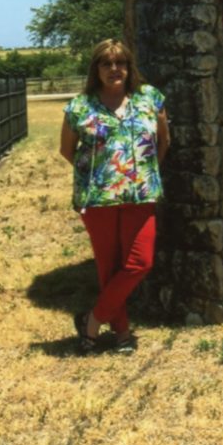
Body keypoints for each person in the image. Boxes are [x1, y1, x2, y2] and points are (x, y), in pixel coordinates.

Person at [60, 38, 170, 354]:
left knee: (139, 263)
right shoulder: (80, 107)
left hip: (141, 196)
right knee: (109, 268)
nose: (114, 69)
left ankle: (91, 323)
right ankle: (121, 334)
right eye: (106, 63)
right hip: (99, 200)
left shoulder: (150, 99)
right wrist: (100, 177)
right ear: (96, 69)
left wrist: (144, 174)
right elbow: (66, 150)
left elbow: (164, 141)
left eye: (120, 62)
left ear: (129, 66)